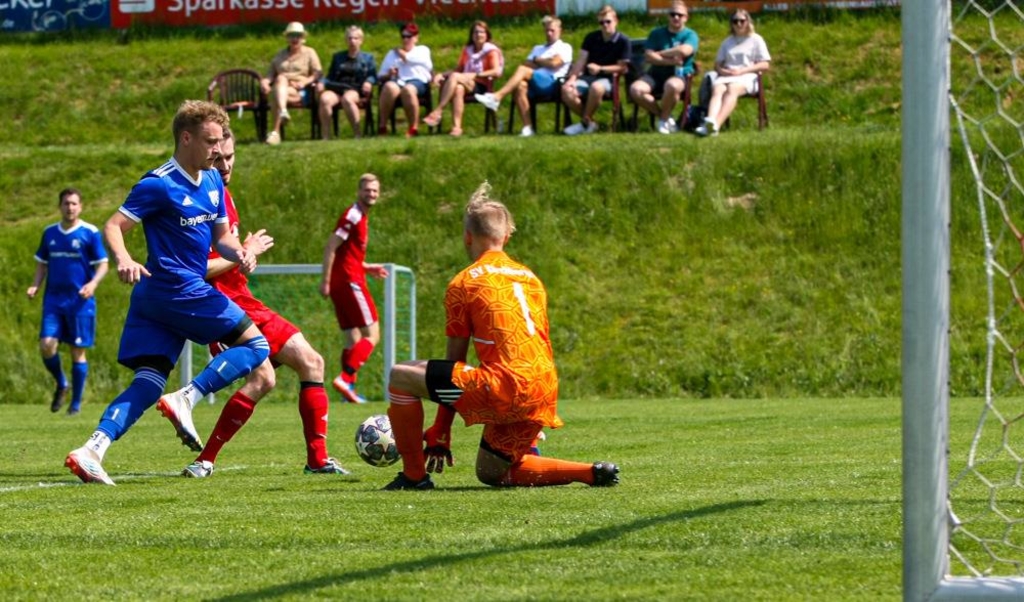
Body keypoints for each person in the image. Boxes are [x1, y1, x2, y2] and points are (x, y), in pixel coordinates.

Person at [64, 100, 271, 486]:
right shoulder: (158, 183)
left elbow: (221, 239)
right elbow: (113, 226)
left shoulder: (212, 181)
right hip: (179, 289)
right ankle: (187, 397)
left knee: (148, 381)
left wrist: (241, 252)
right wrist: (124, 258)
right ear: (186, 138)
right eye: (210, 141)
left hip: (156, 298)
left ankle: (91, 450)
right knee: (257, 346)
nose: (217, 150)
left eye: (220, 142)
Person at [382, 183, 619, 491]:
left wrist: (441, 429)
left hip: (502, 388)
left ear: (468, 237)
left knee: (400, 376)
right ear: (506, 237)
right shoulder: (531, 279)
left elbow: (454, 361)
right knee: (491, 472)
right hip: (543, 388)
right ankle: (590, 472)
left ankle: (414, 476)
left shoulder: (464, 283)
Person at [181, 128, 350, 479]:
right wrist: (246, 251)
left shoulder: (222, 195)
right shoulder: (199, 200)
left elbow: (227, 257)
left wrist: (244, 257)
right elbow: (198, 270)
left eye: (230, 157)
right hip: (223, 307)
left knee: (287, 371)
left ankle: (313, 460)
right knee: (286, 370)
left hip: (242, 299)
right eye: (218, 157)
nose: (224, 164)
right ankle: (204, 454)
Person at [27, 188, 109, 416]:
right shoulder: (49, 233)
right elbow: (42, 263)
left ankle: (75, 405)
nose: (70, 207)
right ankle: (62, 383)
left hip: (80, 302)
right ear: (60, 206)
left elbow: (103, 264)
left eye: (74, 203)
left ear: (80, 207)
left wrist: (93, 284)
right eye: (66, 203)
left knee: (77, 351)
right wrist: (35, 284)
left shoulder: (89, 232)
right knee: (46, 345)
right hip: (53, 301)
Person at [320, 174, 389, 405]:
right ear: (359, 192)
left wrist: (367, 267)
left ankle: (347, 392)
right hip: (350, 281)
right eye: (367, 190)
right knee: (373, 335)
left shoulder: (360, 216)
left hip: (344, 280)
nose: (371, 194)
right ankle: (346, 379)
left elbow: (347, 254)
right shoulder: (353, 215)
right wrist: (325, 281)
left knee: (352, 338)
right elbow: (331, 246)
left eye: (375, 190)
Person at [474, 16, 573, 138]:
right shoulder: (538, 48)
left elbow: (554, 64)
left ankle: (497, 97)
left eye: (552, 30)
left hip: (552, 83)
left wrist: (537, 60)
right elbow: (527, 64)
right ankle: (528, 128)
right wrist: (545, 61)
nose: (549, 33)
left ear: (560, 30)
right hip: (534, 82)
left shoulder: (564, 47)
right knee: (520, 85)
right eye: (547, 30)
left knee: (522, 70)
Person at [694, 9, 771, 137]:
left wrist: (742, 70)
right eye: (735, 21)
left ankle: (716, 125)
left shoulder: (756, 39)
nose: (739, 24)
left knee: (732, 89)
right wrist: (723, 71)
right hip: (727, 75)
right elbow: (717, 64)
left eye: (742, 21)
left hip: (748, 75)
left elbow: (765, 64)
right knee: (717, 89)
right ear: (731, 24)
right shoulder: (727, 42)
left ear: (748, 22)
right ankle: (710, 121)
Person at [422, 21, 504, 137]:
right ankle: (457, 128)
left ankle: (438, 110)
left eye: (481, 32)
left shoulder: (491, 51)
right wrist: (442, 74)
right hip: (465, 82)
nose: (478, 35)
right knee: (458, 89)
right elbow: (459, 69)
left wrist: (476, 75)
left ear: (487, 35)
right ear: (471, 35)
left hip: (482, 84)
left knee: (455, 77)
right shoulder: (467, 50)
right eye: (475, 32)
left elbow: (496, 71)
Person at [628, 1, 699, 134]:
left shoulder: (690, 35)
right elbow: (648, 56)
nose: (676, 17)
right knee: (635, 89)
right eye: (673, 14)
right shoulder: (656, 33)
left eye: (680, 15)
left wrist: (659, 54)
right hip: (655, 74)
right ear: (668, 16)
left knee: (672, 86)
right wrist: (671, 61)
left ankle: (663, 121)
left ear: (686, 17)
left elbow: (684, 51)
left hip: (679, 75)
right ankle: (664, 117)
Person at [560, 6, 631, 136]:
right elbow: (581, 60)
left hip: (609, 79)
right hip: (587, 78)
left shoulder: (623, 40)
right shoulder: (591, 37)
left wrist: (601, 68)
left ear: (616, 21)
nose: (605, 25)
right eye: (601, 22)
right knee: (566, 90)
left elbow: (622, 67)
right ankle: (590, 123)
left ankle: (584, 123)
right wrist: (572, 79)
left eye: (608, 21)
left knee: (596, 87)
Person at [261, 22, 323, 146]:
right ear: (287, 38)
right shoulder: (280, 55)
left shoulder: (310, 52)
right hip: (284, 89)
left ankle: (275, 132)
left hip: (301, 90)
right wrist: (264, 82)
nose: (295, 39)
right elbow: (270, 75)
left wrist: (305, 82)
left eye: (298, 36)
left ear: (303, 38)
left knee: (275, 93)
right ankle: (283, 112)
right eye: (291, 35)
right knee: (280, 79)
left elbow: (318, 73)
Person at [317, 26, 377, 140]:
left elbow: (373, 75)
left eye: (355, 38)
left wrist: (369, 82)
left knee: (347, 99)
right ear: (346, 40)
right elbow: (330, 76)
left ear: (361, 40)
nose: (352, 41)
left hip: (355, 89)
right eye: (350, 38)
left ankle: (357, 134)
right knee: (324, 98)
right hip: (337, 88)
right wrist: (321, 82)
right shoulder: (337, 57)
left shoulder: (368, 58)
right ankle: (326, 136)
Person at [377, 23, 433, 138]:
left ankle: (413, 128)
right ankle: (382, 127)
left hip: (418, 82)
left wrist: (400, 52)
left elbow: (409, 58)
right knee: (389, 87)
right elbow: (380, 75)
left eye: (409, 36)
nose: (406, 39)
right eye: (403, 36)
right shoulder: (391, 54)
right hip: (398, 81)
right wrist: (389, 74)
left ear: (416, 38)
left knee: (408, 90)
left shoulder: (422, 50)